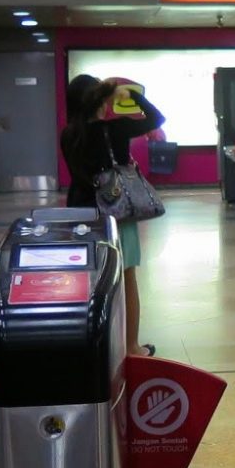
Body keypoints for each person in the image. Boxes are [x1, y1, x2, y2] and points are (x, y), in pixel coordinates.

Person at [61, 74, 160, 349]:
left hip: (81, 215)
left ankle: (93, 346)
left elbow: (80, 176)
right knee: (127, 278)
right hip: (117, 213)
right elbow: (156, 118)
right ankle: (132, 348)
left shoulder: (69, 135)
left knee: (89, 280)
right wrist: (132, 95)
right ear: (99, 99)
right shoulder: (115, 130)